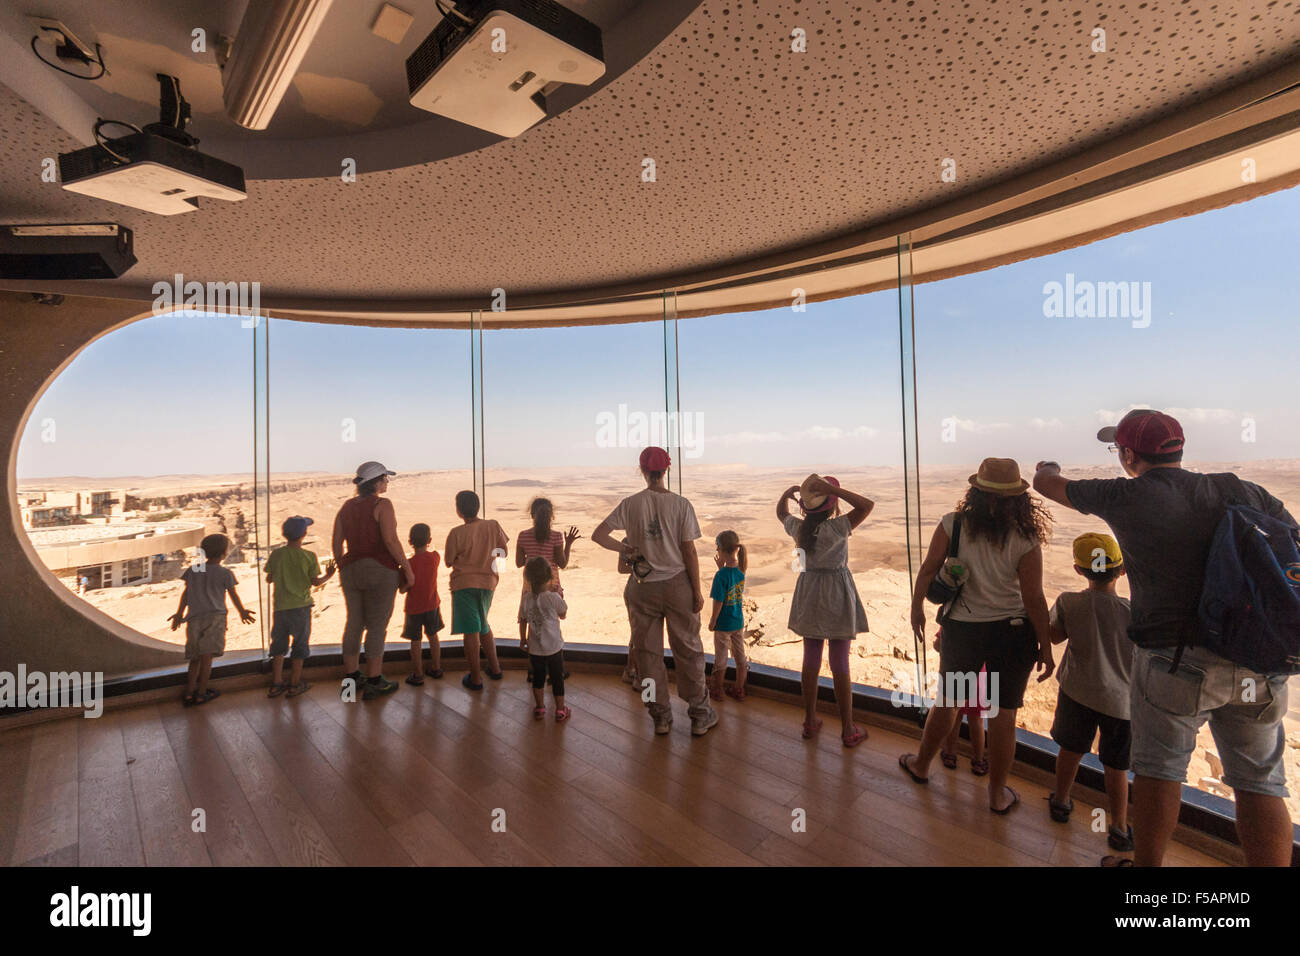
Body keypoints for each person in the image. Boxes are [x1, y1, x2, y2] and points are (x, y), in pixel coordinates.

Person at [1033, 408, 1296, 867]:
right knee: (1260, 783)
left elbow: (1048, 487)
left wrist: (1046, 469)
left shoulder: (1129, 496)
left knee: (1159, 772)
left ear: (1129, 455)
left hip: (1175, 663)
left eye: (1119, 449)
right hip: (1258, 659)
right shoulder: (1241, 489)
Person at [901, 458, 1055, 813]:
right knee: (1003, 717)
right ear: (1019, 499)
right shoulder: (1027, 536)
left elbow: (927, 570)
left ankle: (922, 765)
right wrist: (1045, 645)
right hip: (1013, 635)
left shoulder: (952, 524)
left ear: (976, 491)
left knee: (949, 702)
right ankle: (996, 794)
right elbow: (1033, 598)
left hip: (964, 632)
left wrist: (916, 609)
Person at [591, 446, 718, 737]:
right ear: (667, 470)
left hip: (641, 587)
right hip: (677, 586)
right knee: (688, 651)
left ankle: (659, 716)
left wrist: (626, 549)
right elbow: (689, 551)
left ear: (643, 471)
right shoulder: (681, 505)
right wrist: (697, 591)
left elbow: (599, 535)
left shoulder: (630, 504)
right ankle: (700, 714)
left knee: (647, 657)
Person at [1046, 532, 1134, 852]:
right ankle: (1119, 827)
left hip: (1077, 693)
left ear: (1078, 570)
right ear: (1122, 570)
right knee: (1116, 766)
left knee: (1070, 750)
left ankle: (1060, 801)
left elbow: (1054, 638)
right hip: (1121, 703)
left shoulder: (1070, 602)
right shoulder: (1133, 613)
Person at [777, 474, 873, 746]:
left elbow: (780, 512)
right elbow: (866, 505)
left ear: (805, 509)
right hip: (836, 592)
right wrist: (833, 490)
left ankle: (809, 721)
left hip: (810, 592)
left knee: (811, 658)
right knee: (840, 662)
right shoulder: (839, 527)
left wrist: (789, 492)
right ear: (832, 505)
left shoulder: (798, 528)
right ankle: (848, 729)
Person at [332, 461, 411, 700]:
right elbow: (390, 540)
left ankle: (352, 679)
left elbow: (336, 542)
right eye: (385, 479)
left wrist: (342, 565)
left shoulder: (346, 507)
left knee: (354, 623)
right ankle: (375, 680)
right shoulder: (382, 504)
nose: (387, 483)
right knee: (377, 625)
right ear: (376, 483)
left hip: (351, 570)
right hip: (380, 570)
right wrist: (407, 568)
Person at [168, 533, 255, 706]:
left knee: (195, 659)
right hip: (215, 618)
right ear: (224, 553)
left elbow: (186, 594)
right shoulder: (225, 573)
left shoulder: (194, 570)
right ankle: (201, 693)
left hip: (194, 619)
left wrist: (179, 613)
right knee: (207, 659)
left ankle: (188, 692)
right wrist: (242, 612)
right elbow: (233, 595)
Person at [445, 489, 509, 690]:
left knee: (470, 631)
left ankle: (475, 678)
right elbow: (503, 551)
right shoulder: (493, 525)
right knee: (483, 625)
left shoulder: (456, 533)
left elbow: (448, 561)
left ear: (459, 511)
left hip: (464, 585)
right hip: (488, 584)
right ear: (478, 507)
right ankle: (495, 668)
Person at [265, 515, 334, 698]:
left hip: (280, 607)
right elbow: (315, 582)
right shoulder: (309, 556)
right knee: (300, 645)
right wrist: (329, 575)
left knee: (278, 646)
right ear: (304, 534)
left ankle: (276, 684)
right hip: (301, 607)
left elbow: (269, 578)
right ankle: (294, 684)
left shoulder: (276, 554)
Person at [514, 497, 581, 644]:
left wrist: (531, 559)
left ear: (532, 515)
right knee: (549, 617)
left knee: (528, 613)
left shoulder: (523, 536)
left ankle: (526, 641)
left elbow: (519, 563)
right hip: (550, 584)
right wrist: (568, 544)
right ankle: (551, 644)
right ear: (551, 516)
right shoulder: (556, 536)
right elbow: (562, 564)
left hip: (530, 583)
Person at [520, 556, 570, 721]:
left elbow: (523, 620)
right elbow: (563, 614)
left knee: (538, 678)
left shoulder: (526, 599)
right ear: (550, 576)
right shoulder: (553, 597)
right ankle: (560, 710)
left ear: (527, 578)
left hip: (535, 648)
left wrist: (522, 639)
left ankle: (540, 707)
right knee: (557, 678)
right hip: (554, 646)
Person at [935, 628, 989, 775]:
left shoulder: (957, 615)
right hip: (981, 679)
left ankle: (950, 754)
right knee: (977, 722)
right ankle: (978, 760)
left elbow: (938, 644)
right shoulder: (991, 621)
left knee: (954, 717)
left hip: (956, 674)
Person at [707, 530, 749, 701]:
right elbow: (730, 580)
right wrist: (722, 568)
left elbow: (719, 602)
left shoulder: (720, 576)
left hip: (723, 625)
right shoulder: (741, 571)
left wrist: (712, 621)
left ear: (722, 551)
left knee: (721, 659)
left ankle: (717, 690)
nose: (717, 553)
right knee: (740, 658)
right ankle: (739, 689)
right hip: (737, 623)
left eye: (717, 549)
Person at [402, 523, 444, 686]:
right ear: (429, 540)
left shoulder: (408, 564)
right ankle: (436, 668)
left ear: (410, 542)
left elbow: (403, 589)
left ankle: (418, 674)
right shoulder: (435, 558)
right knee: (433, 636)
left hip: (414, 608)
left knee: (415, 640)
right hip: (432, 604)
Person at [617, 539, 641, 688]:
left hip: (633, 590)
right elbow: (621, 568)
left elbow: (621, 568)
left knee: (637, 632)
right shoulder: (633, 541)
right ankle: (640, 678)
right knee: (641, 634)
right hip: (640, 592)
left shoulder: (627, 541)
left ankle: (630, 670)